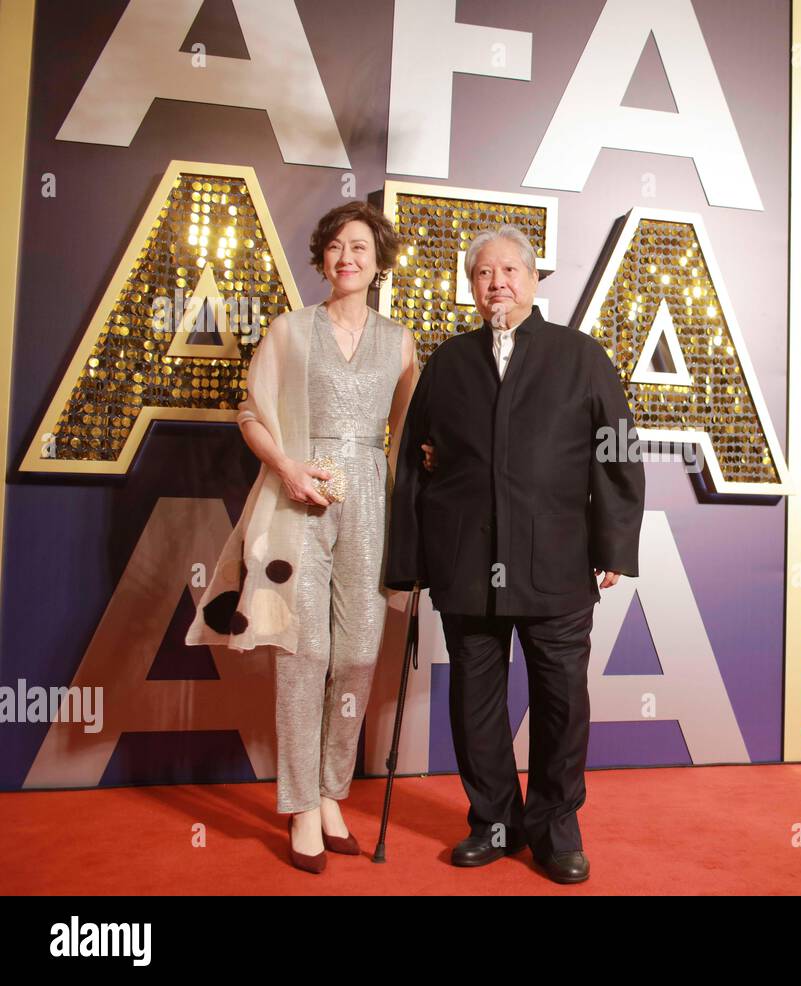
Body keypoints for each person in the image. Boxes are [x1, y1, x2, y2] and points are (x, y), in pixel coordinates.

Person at [385, 223, 645, 884]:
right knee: (475, 700)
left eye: (509, 271)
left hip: (556, 560)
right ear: (471, 287)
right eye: (483, 274)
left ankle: (556, 828)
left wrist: (614, 543)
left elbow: (616, 450)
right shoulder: (447, 363)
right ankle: (493, 822)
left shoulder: (581, 357)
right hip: (465, 562)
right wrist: (408, 561)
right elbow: (416, 465)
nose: (496, 283)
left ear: (533, 281)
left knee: (562, 700)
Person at [187, 201, 417, 874]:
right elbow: (251, 414)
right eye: (336, 247)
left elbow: (403, 433)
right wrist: (287, 467)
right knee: (303, 652)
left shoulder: (400, 342)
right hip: (299, 504)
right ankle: (300, 806)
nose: (347, 257)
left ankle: (330, 791)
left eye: (360, 247)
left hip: (369, 505)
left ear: (378, 263)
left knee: (356, 655)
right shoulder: (290, 330)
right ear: (322, 259)